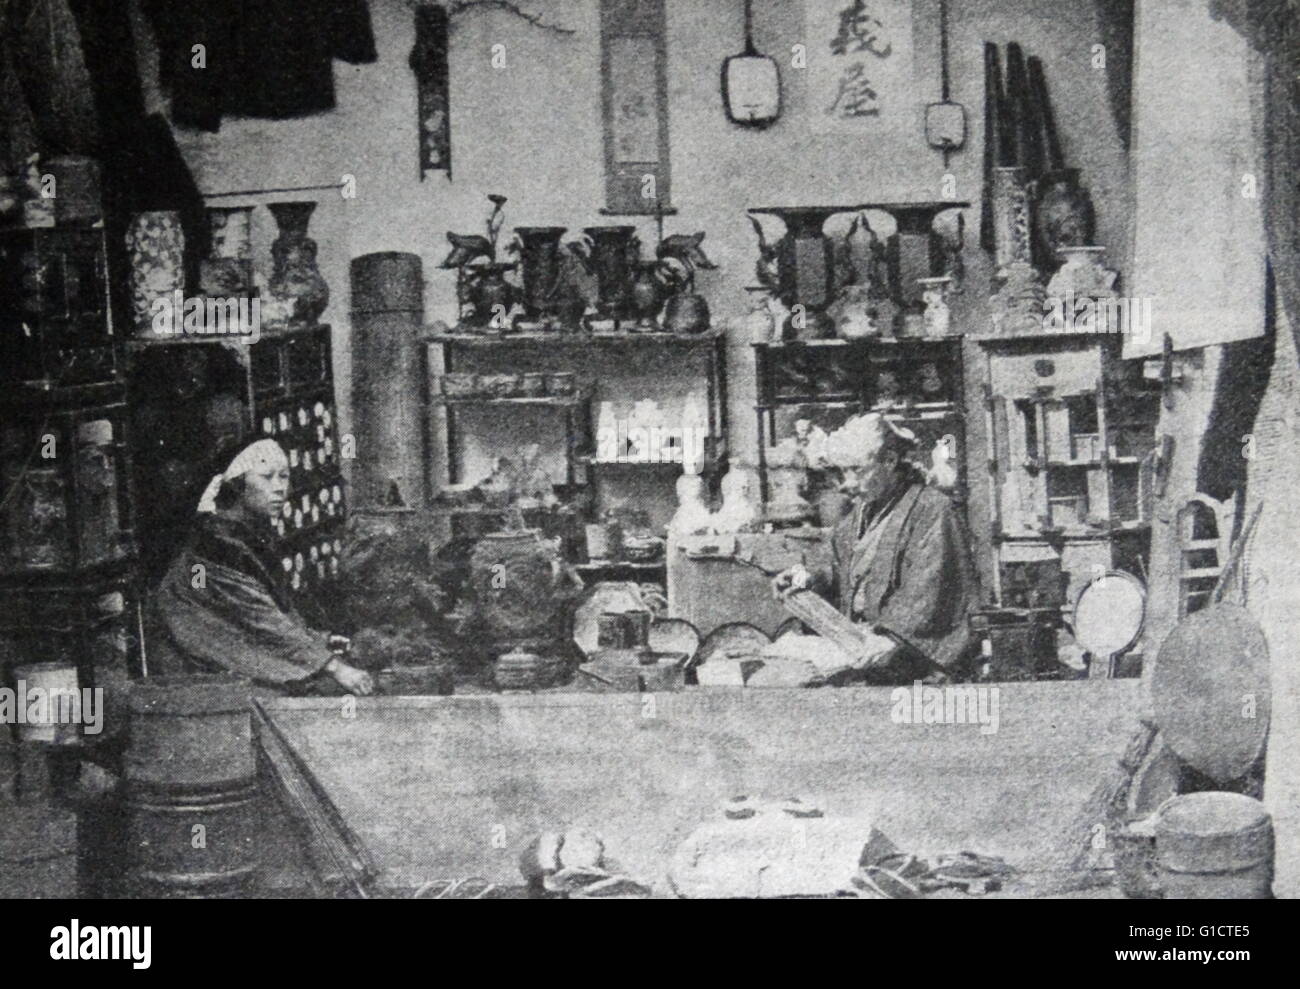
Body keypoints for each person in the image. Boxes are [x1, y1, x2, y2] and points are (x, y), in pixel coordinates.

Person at [146, 437, 373, 695]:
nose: (279, 489)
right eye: (267, 477)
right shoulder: (215, 544)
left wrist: (320, 641)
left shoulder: (242, 534)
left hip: (228, 655)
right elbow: (259, 619)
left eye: (284, 477)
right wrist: (334, 667)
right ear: (238, 485)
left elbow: (269, 612)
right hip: (195, 671)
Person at [771, 414, 980, 683]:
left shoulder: (933, 509)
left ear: (890, 461)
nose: (847, 483)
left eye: (857, 470)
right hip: (865, 654)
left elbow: (929, 589)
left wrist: (890, 638)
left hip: (912, 662)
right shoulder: (859, 514)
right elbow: (839, 568)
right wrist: (808, 578)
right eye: (842, 472)